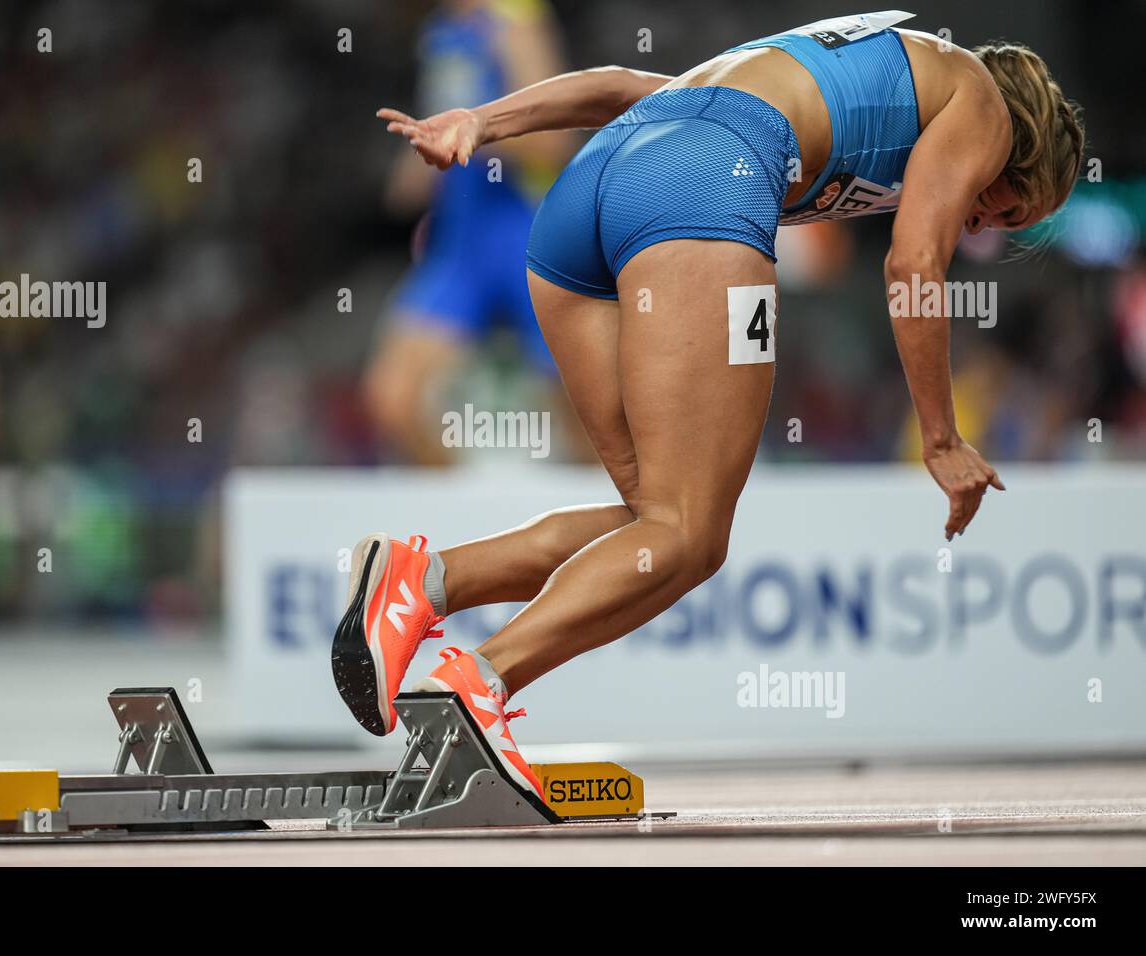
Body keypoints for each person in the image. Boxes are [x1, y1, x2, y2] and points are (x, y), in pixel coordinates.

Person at [335, 11, 1084, 798]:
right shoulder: (982, 102)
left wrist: (484, 121)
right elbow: (913, 261)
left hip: (579, 205)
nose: (983, 222)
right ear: (1019, 149)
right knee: (692, 536)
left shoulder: (838, 77)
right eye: (1004, 208)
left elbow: (625, 90)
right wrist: (940, 438)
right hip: (699, 189)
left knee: (652, 526)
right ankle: (477, 686)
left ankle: (420, 580)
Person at [364, 0, 576, 465]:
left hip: (528, 239)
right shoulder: (441, 33)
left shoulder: (516, 20)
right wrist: (417, 161)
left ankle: (618, 527)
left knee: (584, 418)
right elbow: (441, 123)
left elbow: (553, 142)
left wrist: (470, 135)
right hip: (460, 247)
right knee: (394, 402)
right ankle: (461, 524)